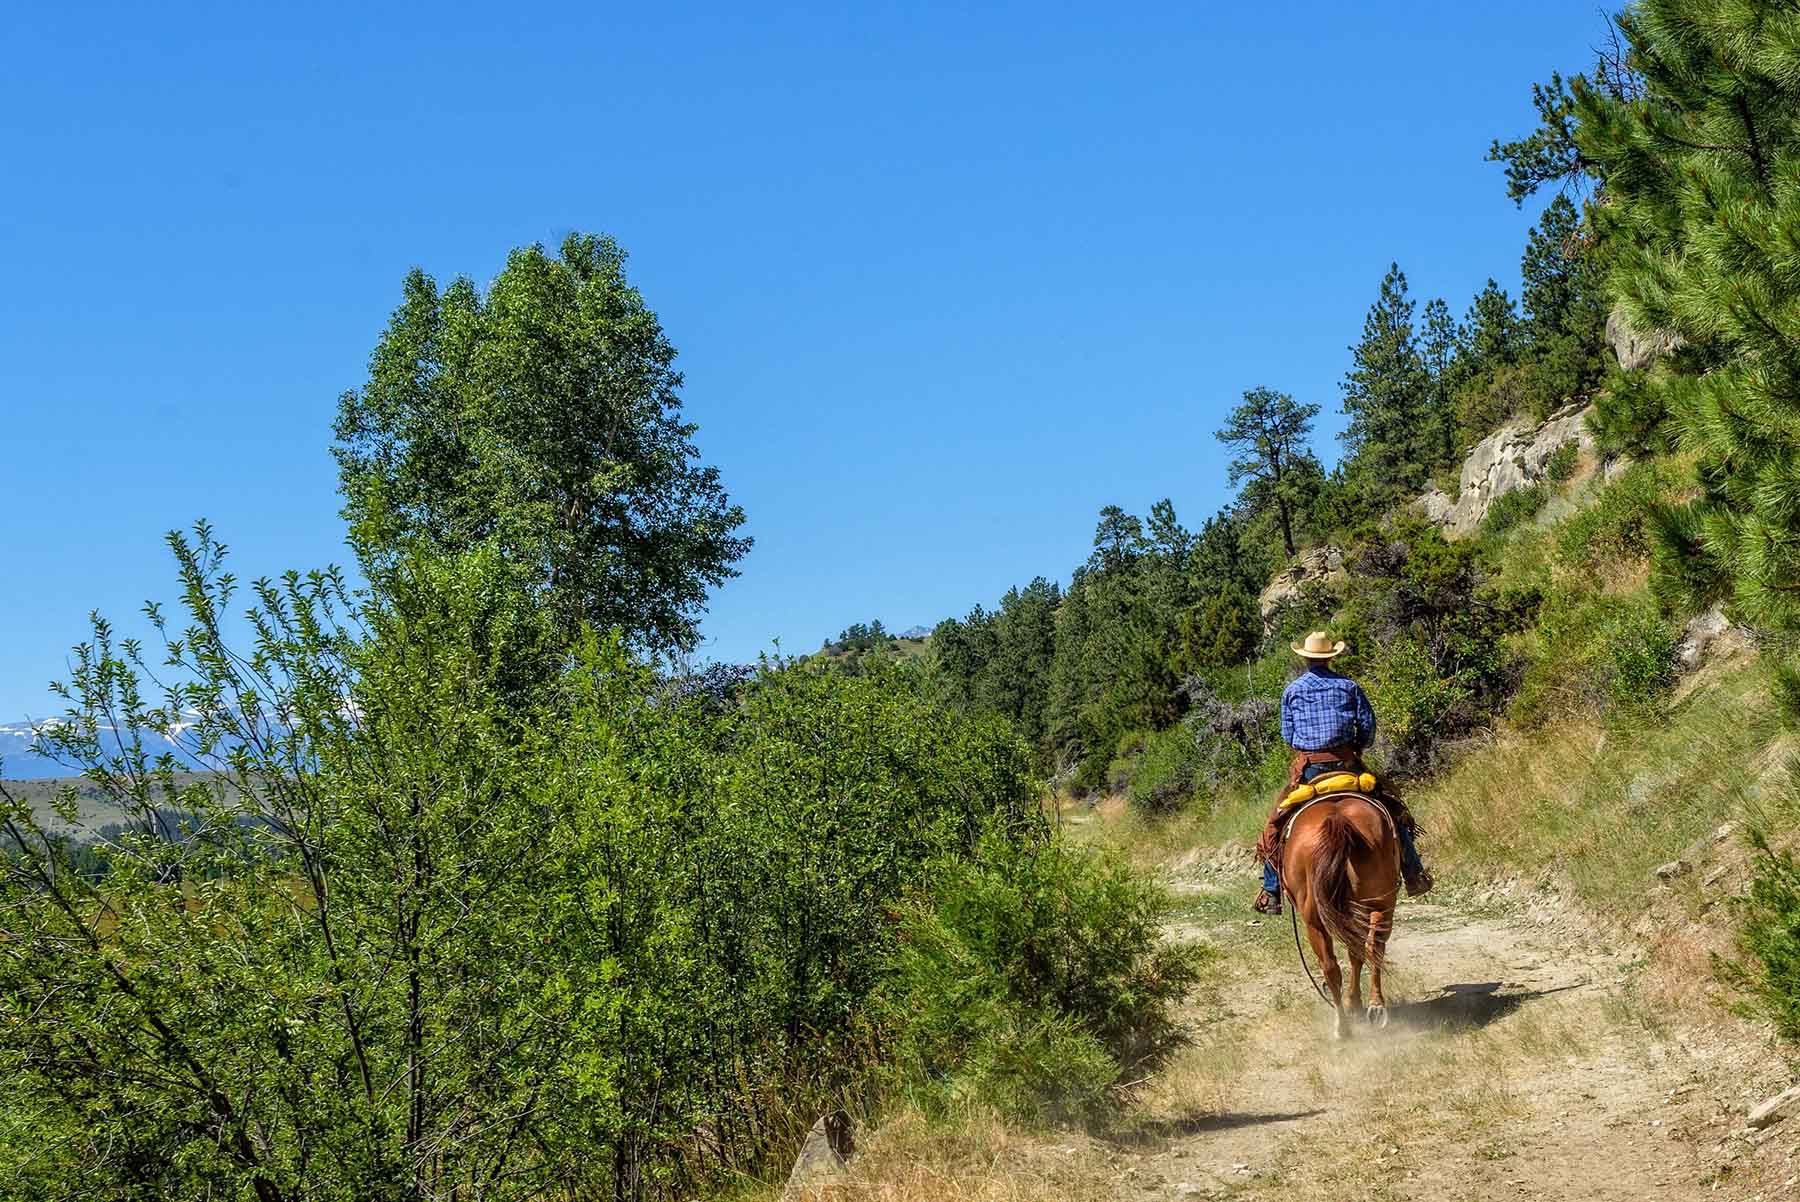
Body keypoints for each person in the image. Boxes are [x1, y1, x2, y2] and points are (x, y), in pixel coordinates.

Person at [1252, 630, 1433, 915]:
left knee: (1276, 824)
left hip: (1310, 771)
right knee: (1394, 811)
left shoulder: (1292, 691)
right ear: (1331, 657)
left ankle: (1271, 891)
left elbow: (1288, 736)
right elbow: (1368, 728)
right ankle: (1413, 873)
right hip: (1349, 766)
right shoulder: (1349, 686)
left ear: (1306, 658)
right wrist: (1356, 746)